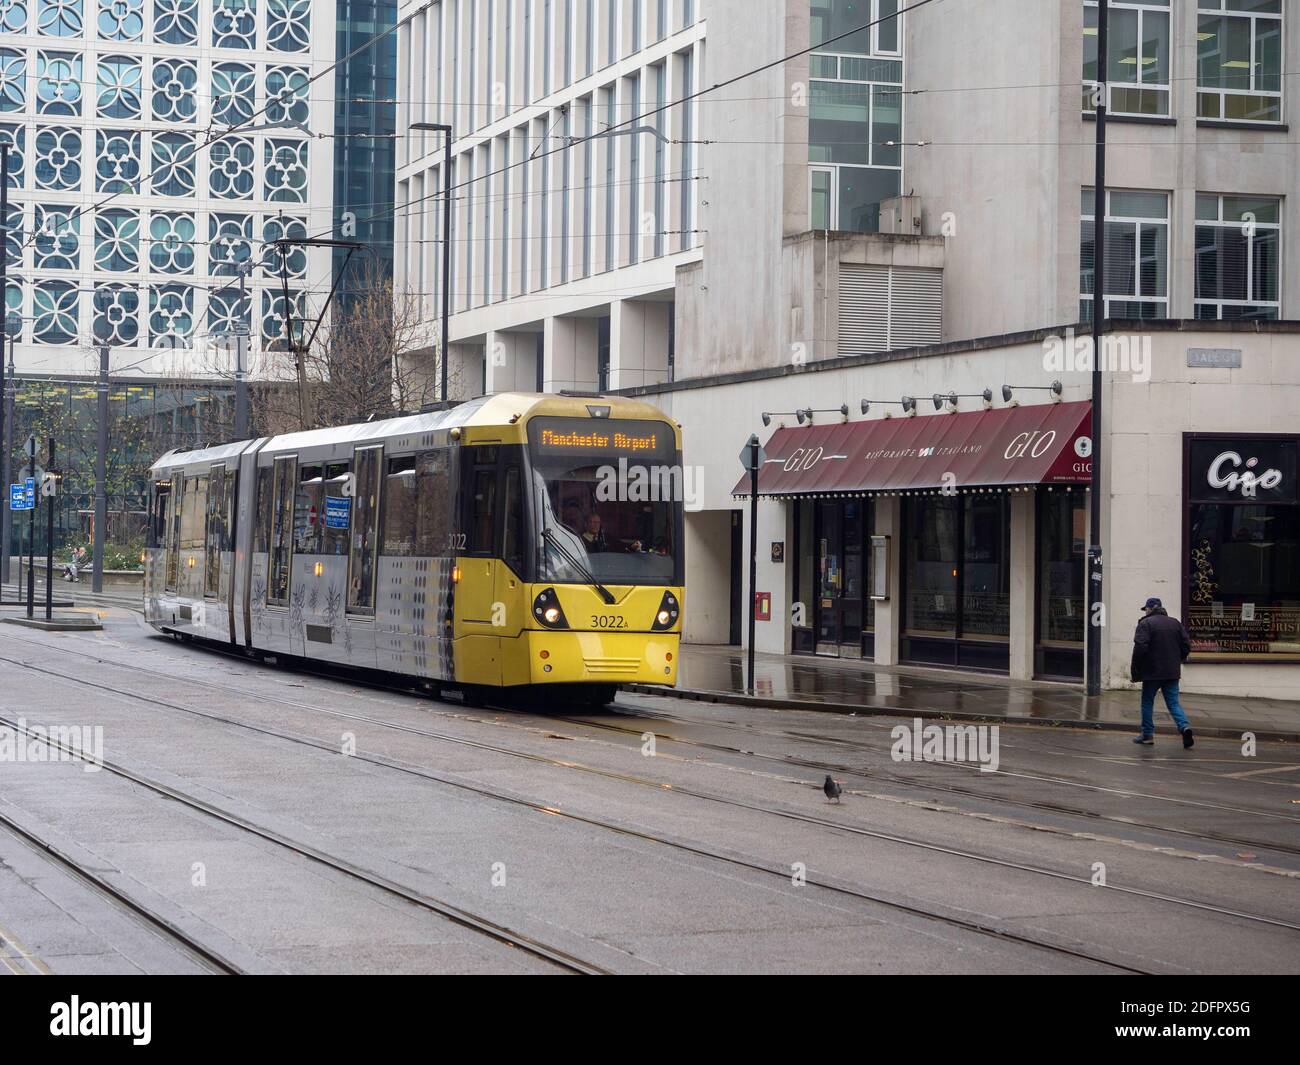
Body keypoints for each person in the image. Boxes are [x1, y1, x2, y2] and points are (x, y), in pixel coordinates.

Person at [1130, 596, 1193, 748]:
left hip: (1152, 671)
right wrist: (1179, 659)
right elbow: (1186, 645)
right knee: (1173, 703)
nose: (1145, 612)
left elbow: (1140, 647)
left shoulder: (1146, 623)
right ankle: (1184, 727)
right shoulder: (1175, 623)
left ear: (1150, 609)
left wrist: (1136, 668)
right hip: (1172, 671)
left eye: (1146, 609)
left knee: (1147, 702)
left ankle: (1147, 735)